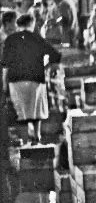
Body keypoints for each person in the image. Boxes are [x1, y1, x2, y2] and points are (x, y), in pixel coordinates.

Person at [0, 14, 62, 144]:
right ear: (32, 24)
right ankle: (37, 138)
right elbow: (56, 56)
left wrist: (5, 84)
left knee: (21, 113)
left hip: (16, 81)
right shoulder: (37, 38)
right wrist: (45, 67)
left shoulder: (10, 39)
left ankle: (26, 143)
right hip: (36, 80)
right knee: (36, 111)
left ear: (18, 24)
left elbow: (5, 64)